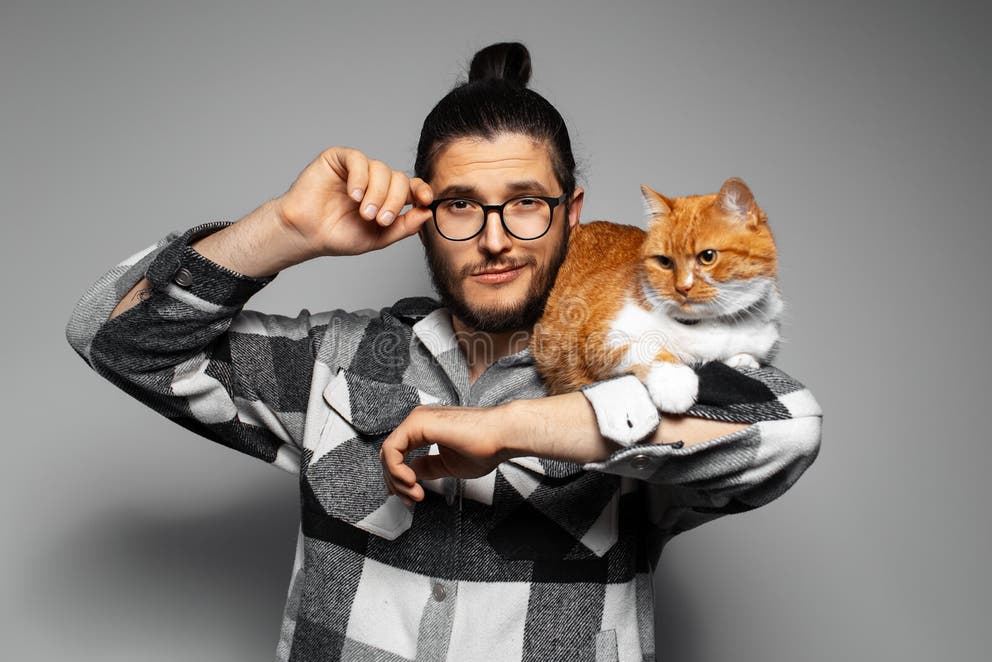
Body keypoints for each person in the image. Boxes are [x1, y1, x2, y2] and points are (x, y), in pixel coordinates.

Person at [66, 42, 821, 662]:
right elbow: (113, 336)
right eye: (460, 205)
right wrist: (285, 230)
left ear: (573, 215)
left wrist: (509, 429)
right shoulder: (334, 359)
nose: (495, 238)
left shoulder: (642, 362)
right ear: (424, 217)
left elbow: (787, 428)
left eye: (526, 203)